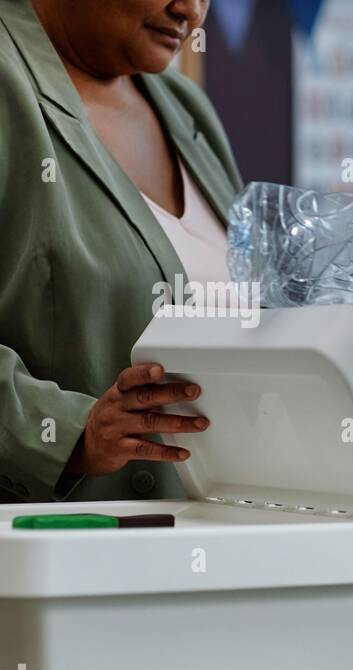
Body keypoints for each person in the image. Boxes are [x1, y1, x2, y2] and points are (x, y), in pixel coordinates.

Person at [0, 0, 234, 505]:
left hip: (211, 551)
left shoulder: (184, 104)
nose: (190, 12)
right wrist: (67, 433)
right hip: (47, 561)